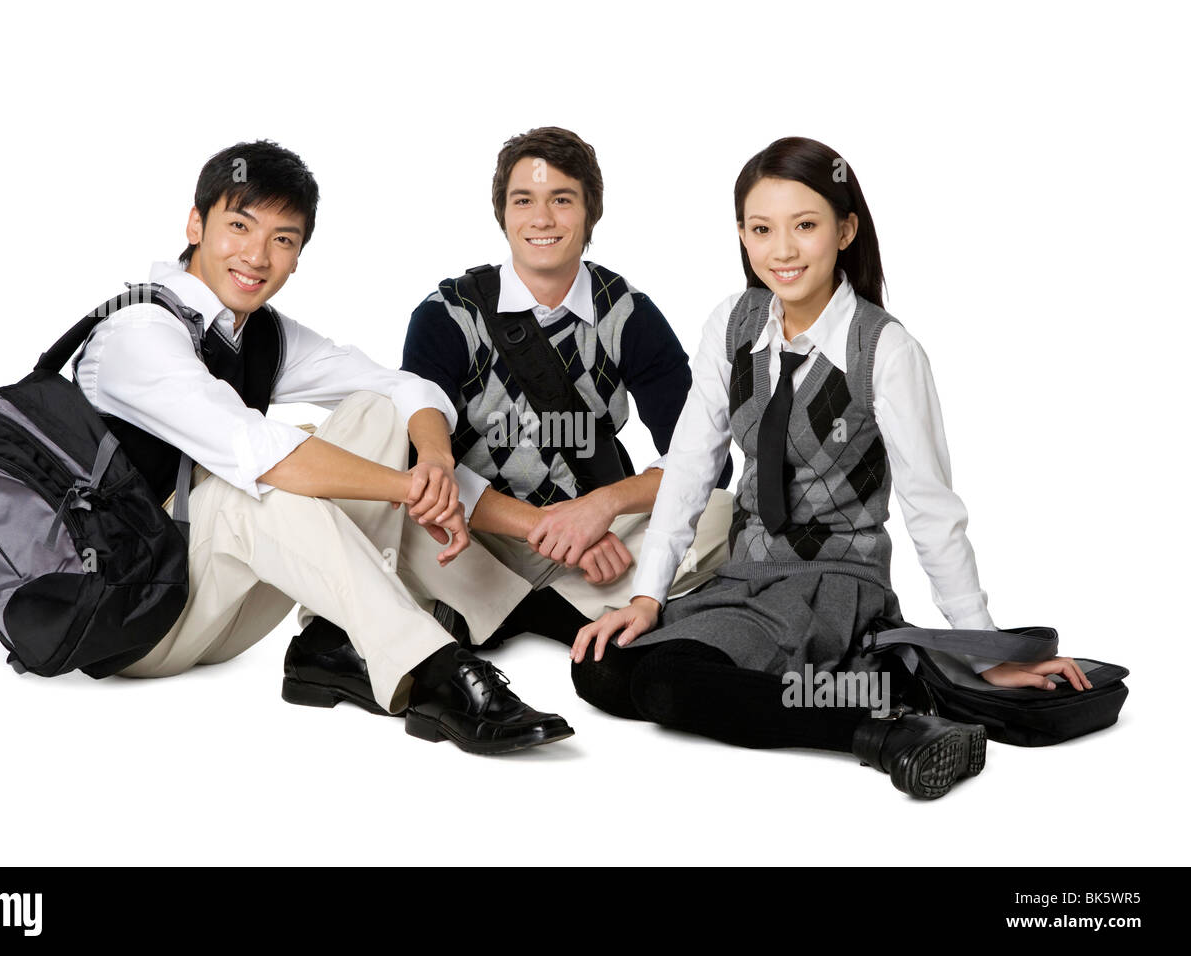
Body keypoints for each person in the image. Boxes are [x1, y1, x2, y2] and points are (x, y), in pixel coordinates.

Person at [569, 136, 1092, 798]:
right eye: (762, 229)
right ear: (741, 235)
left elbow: (931, 511)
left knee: (669, 685)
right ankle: (883, 679)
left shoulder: (887, 351)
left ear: (845, 229)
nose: (782, 251)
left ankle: (887, 732)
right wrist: (647, 598)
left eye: (805, 226)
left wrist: (982, 649)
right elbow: (690, 467)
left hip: (835, 584)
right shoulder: (731, 325)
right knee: (601, 668)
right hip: (744, 578)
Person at [74, 139, 574, 755]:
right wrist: (408, 487)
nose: (257, 255)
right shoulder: (137, 334)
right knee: (256, 485)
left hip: (215, 604)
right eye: (238, 225)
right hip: (133, 618)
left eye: (283, 239)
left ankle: (335, 641)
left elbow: (403, 387)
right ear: (195, 224)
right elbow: (266, 454)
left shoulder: (257, 335)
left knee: (376, 414)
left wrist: (437, 464)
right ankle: (432, 664)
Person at [397, 126, 735, 648]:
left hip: (597, 535)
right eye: (524, 200)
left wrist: (598, 510)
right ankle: (565, 608)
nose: (542, 219)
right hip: (479, 534)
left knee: (722, 513)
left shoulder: (628, 314)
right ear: (503, 214)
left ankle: (503, 611)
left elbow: (708, 460)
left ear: (589, 213)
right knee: (395, 499)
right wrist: (548, 529)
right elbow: (423, 461)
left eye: (562, 199)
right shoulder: (447, 314)